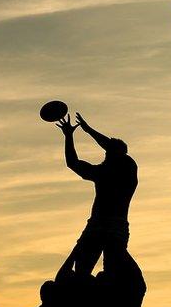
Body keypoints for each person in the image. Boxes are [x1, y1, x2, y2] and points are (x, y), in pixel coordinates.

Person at [56, 112, 137, 274]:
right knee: (81, 270)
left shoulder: (127, 168)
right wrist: (69, 136)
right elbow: (73, 163)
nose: (105, 153)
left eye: (108, 151)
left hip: (112, 226)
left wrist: (87, 130)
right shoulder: (102, 172)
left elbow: (76, 162)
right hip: (100, 225)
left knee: (111, 272)